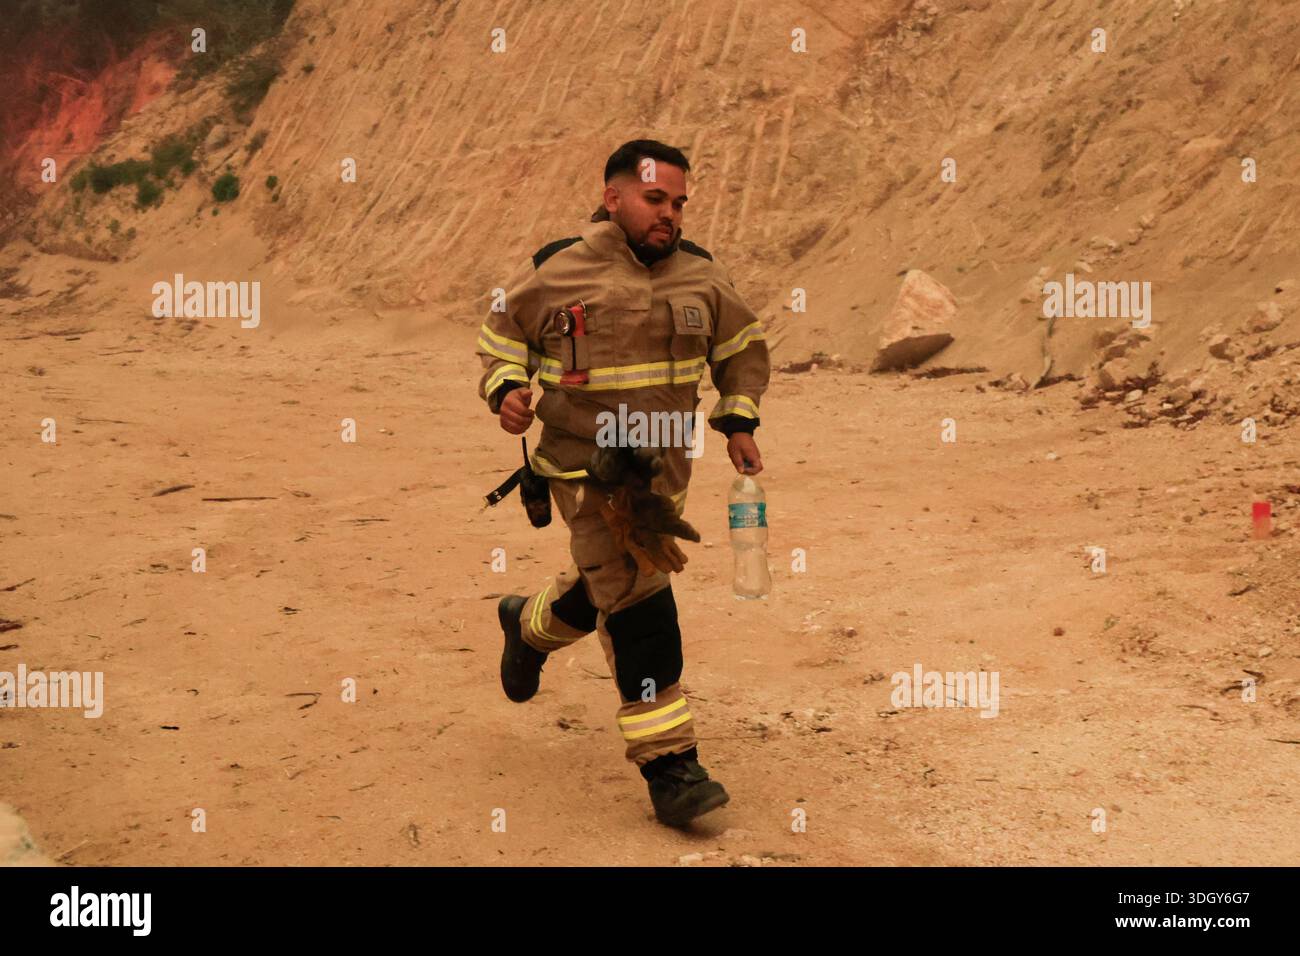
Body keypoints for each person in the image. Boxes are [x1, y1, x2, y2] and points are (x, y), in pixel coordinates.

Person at [474, 139, 769, 826]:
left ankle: (530, 625)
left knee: (608, 583)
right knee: (639, 598)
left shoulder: (701, 275)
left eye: (678, 202)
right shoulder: (558, 268)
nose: (669, 214)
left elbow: (741, 349)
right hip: (584, 469)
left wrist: (739, 420)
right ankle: (672, 766)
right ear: (614, 198)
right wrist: (508, 390)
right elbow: (501, 335)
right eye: (655, 199)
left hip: (663, 473)